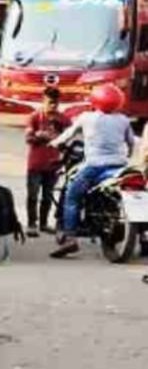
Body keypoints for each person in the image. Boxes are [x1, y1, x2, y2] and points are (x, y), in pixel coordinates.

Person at [49, 83, 134, 258]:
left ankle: (71, 238)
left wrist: (54, 143)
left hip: (94, 166)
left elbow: (68, 134)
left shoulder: (87, 117)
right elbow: (131, 143)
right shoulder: (123, 120)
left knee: (72, 197)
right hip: (119, 167)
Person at [24, 87, 71, 237]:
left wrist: (59, 140)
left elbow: (70, 138)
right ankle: (32, 224)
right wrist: (41, 136)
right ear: (43, 100)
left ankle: (44, 223)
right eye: (50, 102)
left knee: (48, 195)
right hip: (36, 163)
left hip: (53, 163)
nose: (53, 106)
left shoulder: (63, 119)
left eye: (56, 103)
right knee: (33, 194)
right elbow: (28, 138)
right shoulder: (35, 117)